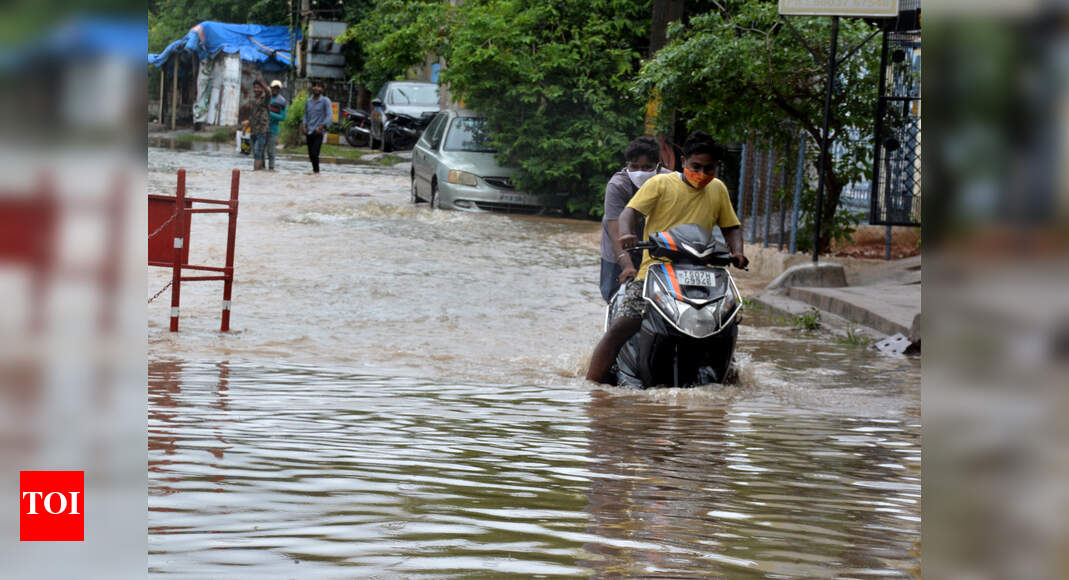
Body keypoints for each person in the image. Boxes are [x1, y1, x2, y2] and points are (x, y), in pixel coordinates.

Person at [586, 131, 750, 383]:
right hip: (656, 271)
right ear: (684, 162)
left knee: (726, 322)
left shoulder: (718, 190)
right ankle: (593, 387)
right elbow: (629, 212)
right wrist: (627, 233)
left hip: (703, 276)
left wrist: (737, 251)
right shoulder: (659, 184)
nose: (702, 174)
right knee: (624, 325)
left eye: (709, 168)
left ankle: (728, 379)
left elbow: (731, 226)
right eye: (696, 167)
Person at [600, 136, 670, 302]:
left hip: (656, 247)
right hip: (620, 247)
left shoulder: (670, 182)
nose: (640, 173)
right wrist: (627, 265)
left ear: (658, 167)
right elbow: (615, 230)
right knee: (617, 298)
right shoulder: (618, 186)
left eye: (647, 167)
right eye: (634, 166)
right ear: (627, 165)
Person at [300, 80, 333, 174]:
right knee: (311, 155)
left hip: (318, 132)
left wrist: (322, 127)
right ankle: (315, 172)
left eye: (319, 86)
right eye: (315, 86)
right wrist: (303, 125)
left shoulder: (325, 101)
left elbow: (329, 116)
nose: (316, 88)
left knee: (315, 153)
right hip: (309, 131)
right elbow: (306, 115)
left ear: (322, 89)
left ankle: (317, 172)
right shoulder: (308, 101)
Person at [248, 76, 271, 171]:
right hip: (253, 130)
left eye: (259, 87)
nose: (256, 89)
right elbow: (252, 115)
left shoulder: (265, 99)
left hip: (262, 130)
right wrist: (246, 126)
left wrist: (262, 83)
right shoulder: (252, 100)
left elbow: (269, 92)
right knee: (256, 153)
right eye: (255, 87)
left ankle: (255, 172)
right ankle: (261, 171)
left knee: (258, 152)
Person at [267, 80, 288, 171]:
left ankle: (271, 169)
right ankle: (260, 169)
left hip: (273, 130)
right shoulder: (266, 98)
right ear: (270, 88)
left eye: (277, 88)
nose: (275, 90)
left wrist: (270, 113)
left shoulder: (282, 101)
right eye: (274, 88)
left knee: (271, 152)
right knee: (259, 151)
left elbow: (283, 117)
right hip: (262, 129)